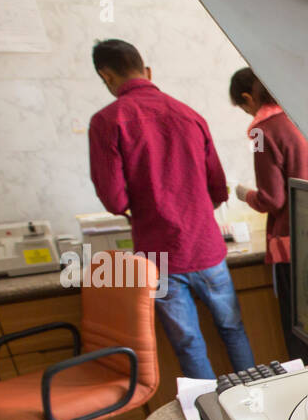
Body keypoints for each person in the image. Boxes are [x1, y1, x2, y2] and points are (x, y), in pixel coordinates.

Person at [88, 39, 255, 379]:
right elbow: (217, 187)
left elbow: (115, 200)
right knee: (233, 329)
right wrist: (193, 210)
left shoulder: (107, 121)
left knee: (188, 343)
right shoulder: (189, 114)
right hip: (207, 249)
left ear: (106, 76)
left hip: (159, 257)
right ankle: (257, 398)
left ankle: (206, 411)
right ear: (147, 71)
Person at [229, 68, 308, 363]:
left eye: (244, 108)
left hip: (297, 244)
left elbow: (273, 199)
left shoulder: (262, 132)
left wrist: (244, 194)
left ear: (248, 98)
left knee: (303, 333)